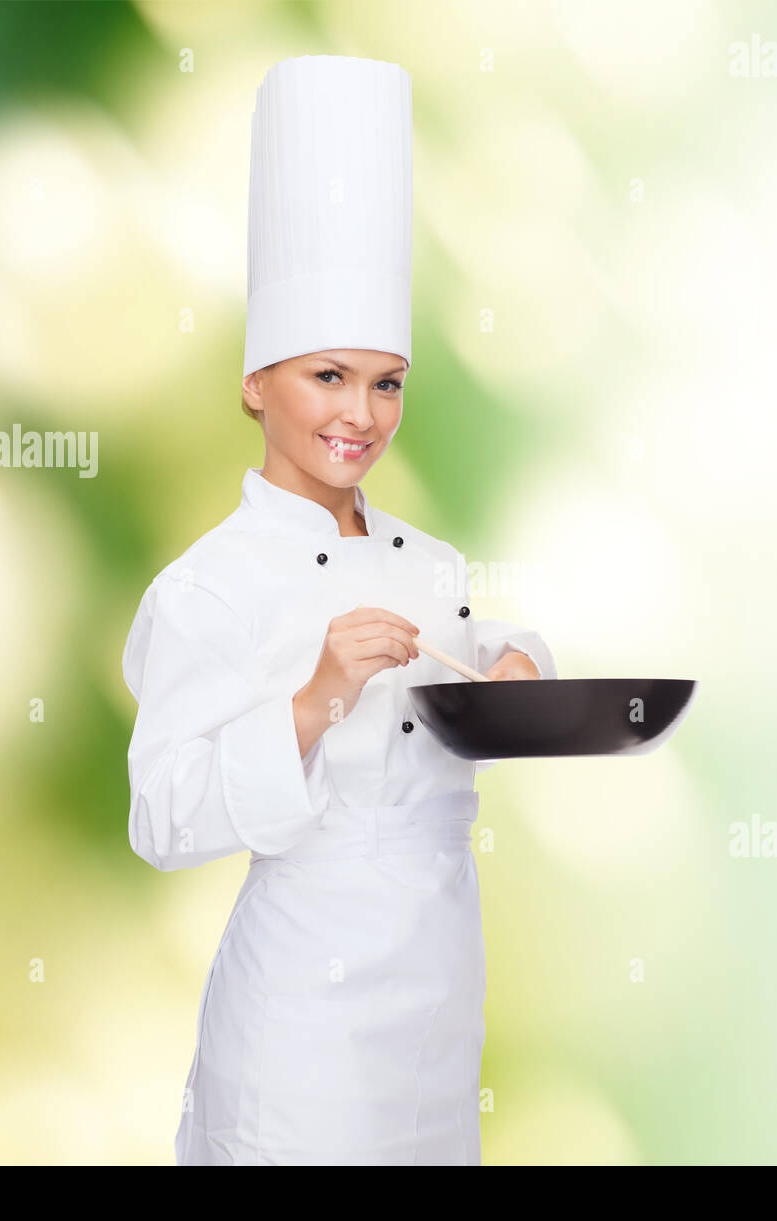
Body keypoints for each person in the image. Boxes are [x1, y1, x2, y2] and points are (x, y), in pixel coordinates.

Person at [121, 54, 556, 1165]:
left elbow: (468, 668)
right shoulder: (209, 584)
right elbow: (162, 820)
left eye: (386, 381)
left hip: (440, 1005)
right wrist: (313, 701)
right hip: (302, 1028)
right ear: (256, 379)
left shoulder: (433, 561)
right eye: (327, 376)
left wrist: (516, 666)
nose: (361, 414)